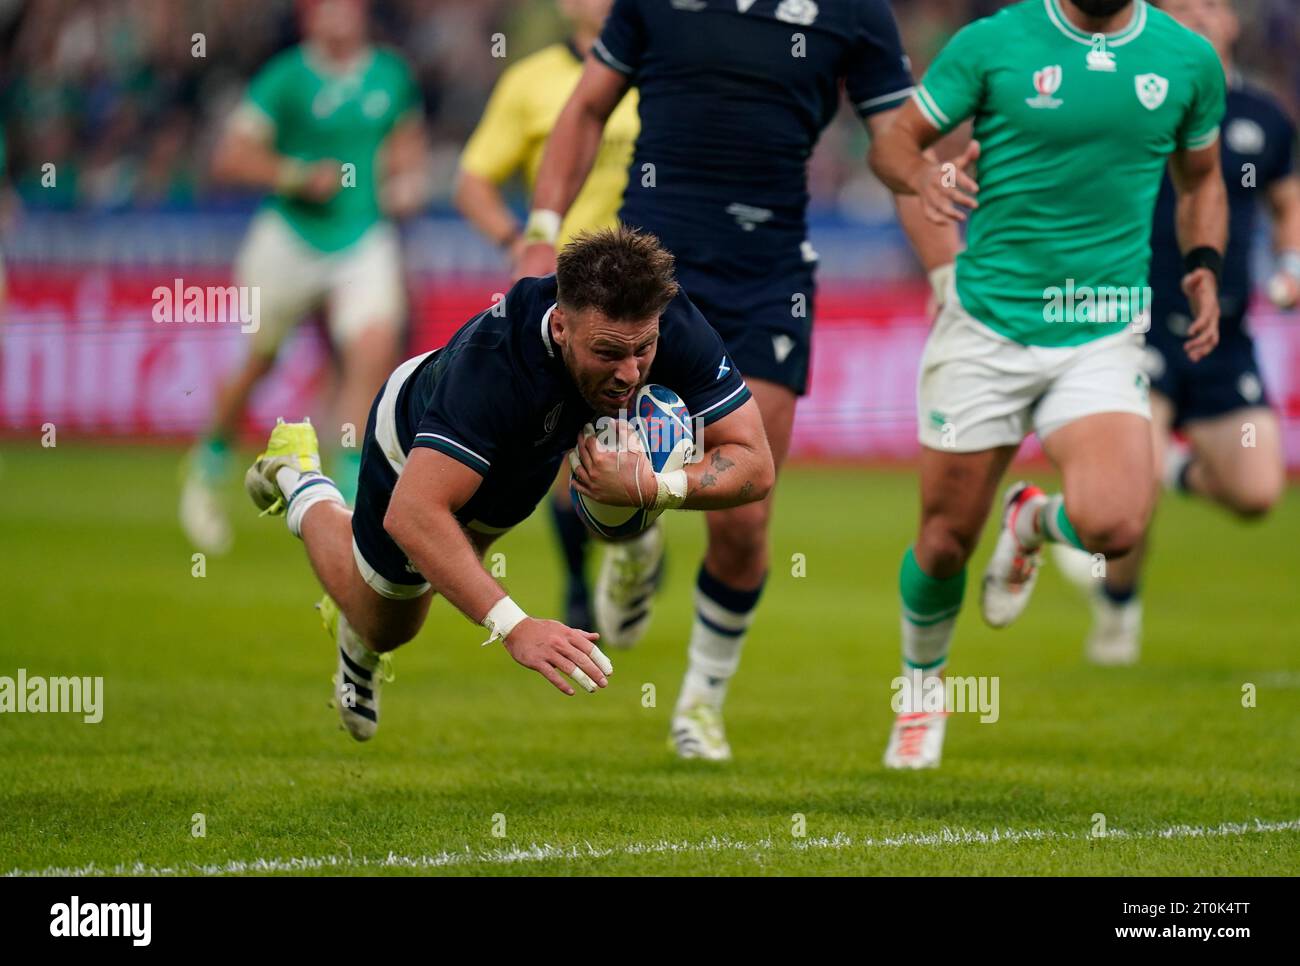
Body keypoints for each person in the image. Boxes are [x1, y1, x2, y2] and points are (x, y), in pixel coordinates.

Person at [517, 0, 958, 760]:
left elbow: (898, 151)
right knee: (601, 478)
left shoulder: (855, 13)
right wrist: (539, 227)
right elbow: (587, 106)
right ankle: (632, 545)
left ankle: (700, 701)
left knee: (745, 514)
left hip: (767, 283)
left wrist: (950, 281)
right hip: (647, 271)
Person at [869, 0, 1228, 767]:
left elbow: (1201, 181)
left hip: (1101, 333)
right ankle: (922, 694)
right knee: (943, 543)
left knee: (1118, 524)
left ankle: (1032, 523)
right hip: (987, 328)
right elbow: (895, 144)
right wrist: (925, 175)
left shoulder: (1185, 60)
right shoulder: (992, 44)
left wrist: (1205, 266)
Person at [244, 227, 774, 741]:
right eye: (609, 353)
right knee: (391, 625)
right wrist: (514, 625)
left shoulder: (667, 319)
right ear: (562, 327)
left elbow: (756, 465)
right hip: (415, 440)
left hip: (532, 452)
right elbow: (413, 513)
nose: (632, 372)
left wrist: (654, 488)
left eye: (644, 350)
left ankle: (360, 615)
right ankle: (300, 480)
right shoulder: (494, 364)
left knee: (452, 567)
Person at [1055, 0, 1299, 665]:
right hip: (1133, 325)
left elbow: (1287, 200)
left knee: (1256, 494)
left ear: (1229, 21)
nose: (1195, 18)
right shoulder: (1131, 95)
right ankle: (1117, 611)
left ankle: (1173, 469)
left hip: (1224, 332)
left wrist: (1292, 264)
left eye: (1206, 8)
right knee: (1126, 495)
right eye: (1179, 9)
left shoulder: (1264, 116)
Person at [181, 0, 430, 553]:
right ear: (308, 17)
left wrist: (408, 178)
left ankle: (347, 500)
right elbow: (229, 158)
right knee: (260, 360)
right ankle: (208, 467)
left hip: (363, 234)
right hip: (290, 237)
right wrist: (293, 174)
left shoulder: (390, 75)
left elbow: (406, 140)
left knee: (371, 349)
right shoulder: (287, 77)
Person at [454, 0, 640, 632]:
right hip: (565, 294)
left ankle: (638, 534)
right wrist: (517, 241)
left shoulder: (656, 69)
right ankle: (580, 583)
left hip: (651, 289)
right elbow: (473, 180)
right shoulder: (529, 81)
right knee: (570, 441)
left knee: (660, 425)